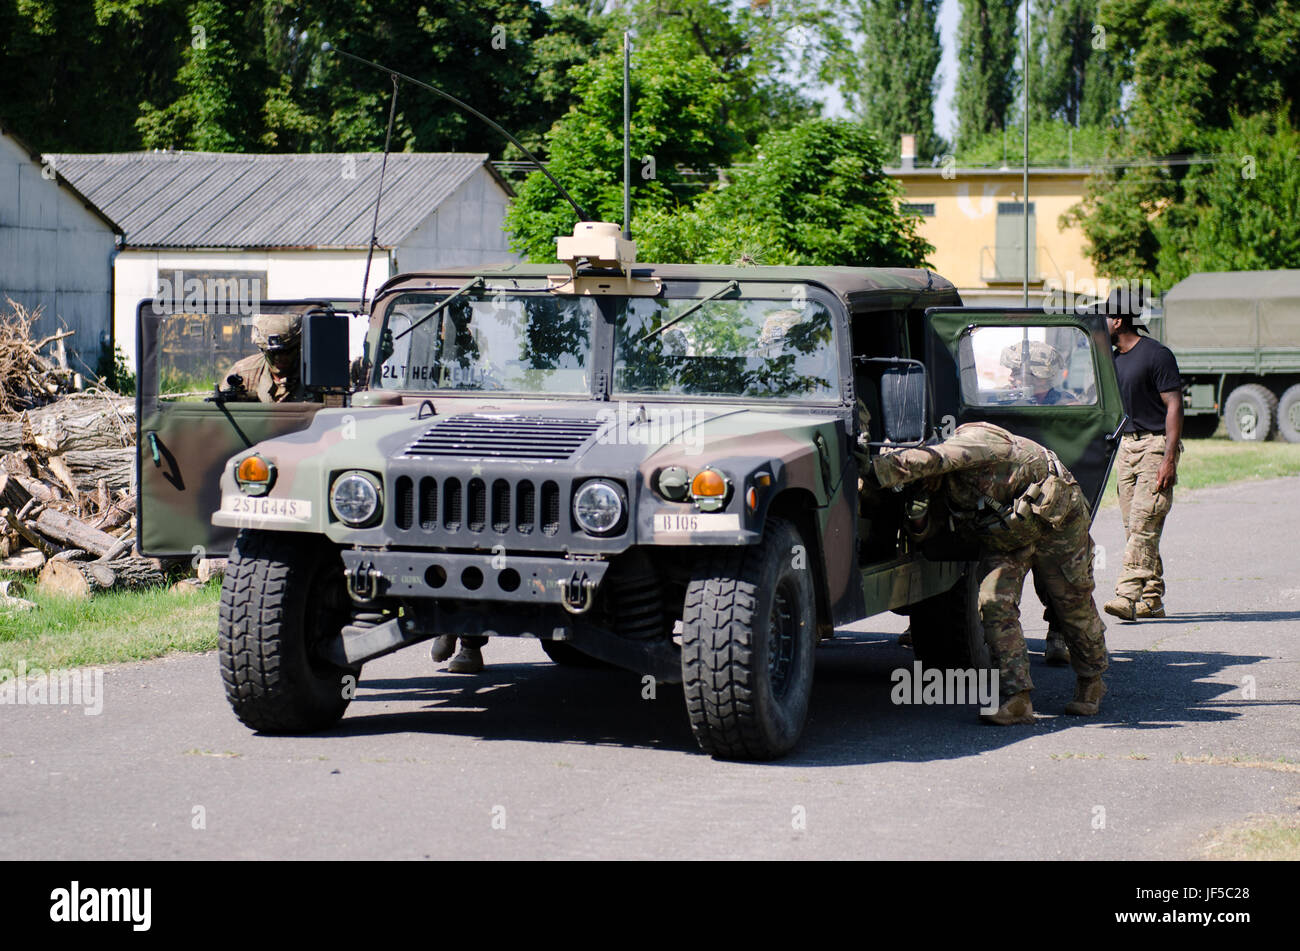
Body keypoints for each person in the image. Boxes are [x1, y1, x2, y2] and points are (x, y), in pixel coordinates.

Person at [864, 422, 1109, 724]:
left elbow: (938, 458)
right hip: (1007, 532)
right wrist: (917, 517)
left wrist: (871, 470)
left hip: (1055, 519)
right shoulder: (934, 488)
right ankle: (1017, 697)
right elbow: (932, 535)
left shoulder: (970, 443)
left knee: (1072, 604)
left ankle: (1091, 680)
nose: (922, 486)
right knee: (993, 604)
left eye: (920, 479)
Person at [1103, 309, 1183, 621]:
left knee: (1144, 522)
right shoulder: (1111, 359)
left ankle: (1126, 595)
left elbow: (1174, 405)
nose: (1102, 324)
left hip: (1155, 444)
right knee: (1134, 528)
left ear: (1119, 320)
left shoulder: (1156, 355)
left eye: (1105, 317)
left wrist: (1169, 458)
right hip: (1127, 446)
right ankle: (1152, 598)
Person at [220, 313, 311, 403]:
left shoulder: (314, 374)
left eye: (287, 352)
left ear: (298, 347)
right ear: (263, 350)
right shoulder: (243, 373)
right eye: (273, 353)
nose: (280, 357)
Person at [1000, 340, 1076, 406]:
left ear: (1041, 379)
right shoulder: (1002, 397)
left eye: (1017, 373)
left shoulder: (1064, 405)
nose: (1010, 378)